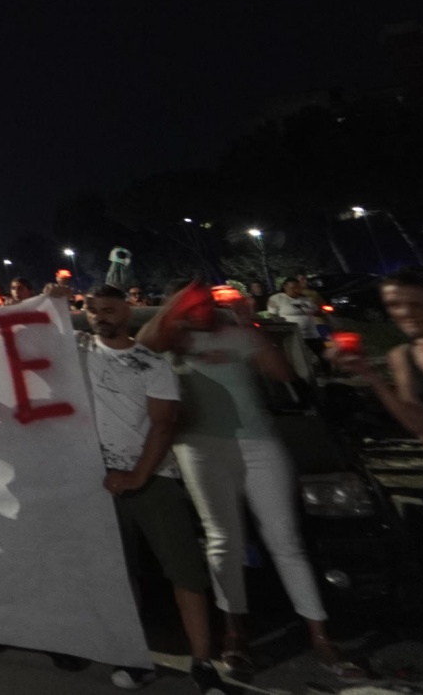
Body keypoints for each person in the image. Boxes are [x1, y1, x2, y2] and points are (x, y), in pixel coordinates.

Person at [140, 282, 361, 683]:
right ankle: (235, 634)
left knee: (285, 540)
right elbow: (144, 344)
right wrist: (174, 309)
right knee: (224, 539)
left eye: (207, 302)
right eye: (194, 303)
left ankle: (321, 636)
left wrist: (251, 327)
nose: (203, 308)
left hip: (259, 443)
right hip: (199, 447)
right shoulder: (172, 339)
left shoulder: (239, 332)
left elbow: (282, 372)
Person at [81, 288, 226, 693]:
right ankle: (134, 656)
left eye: (109, 310)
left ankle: (203, 662)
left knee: (183, 571)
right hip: (97, 482)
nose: (100, 317)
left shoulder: (152, 365)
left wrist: (138, 476)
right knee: (118, 574)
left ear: (127, 312)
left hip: (152, 478)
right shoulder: (74, 353)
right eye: (93, 311)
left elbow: (164, 424)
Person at [330, 268, 423, 534]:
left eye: (417, 304)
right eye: (394, 304)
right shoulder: (403, 357)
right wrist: (371, 376)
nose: (405, 313)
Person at [265, 277, 323, 356]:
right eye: (293, 288)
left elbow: (317, 311)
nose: (296, 290)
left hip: (312, 334)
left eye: (297, 287)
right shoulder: (277, 299)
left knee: (322, 356)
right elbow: (272, 315)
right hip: (294, 336)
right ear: (285, 287)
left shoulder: (306, 300)